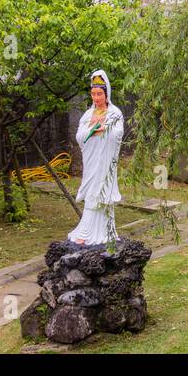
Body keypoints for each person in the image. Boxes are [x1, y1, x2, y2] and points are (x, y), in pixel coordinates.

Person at [67, 69, 125, 245]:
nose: (96, 98)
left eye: (99, 94)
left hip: (105, 162)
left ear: (106, 94)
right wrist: (91, 131)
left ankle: (103, 232)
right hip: (92, 162)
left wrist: (104, 130)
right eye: (93, 94)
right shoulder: (87, 114)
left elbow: (118, 134)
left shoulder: (114, 113)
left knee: (101, 193)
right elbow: (79, 136)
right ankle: (89, 231)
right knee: (93, 192)